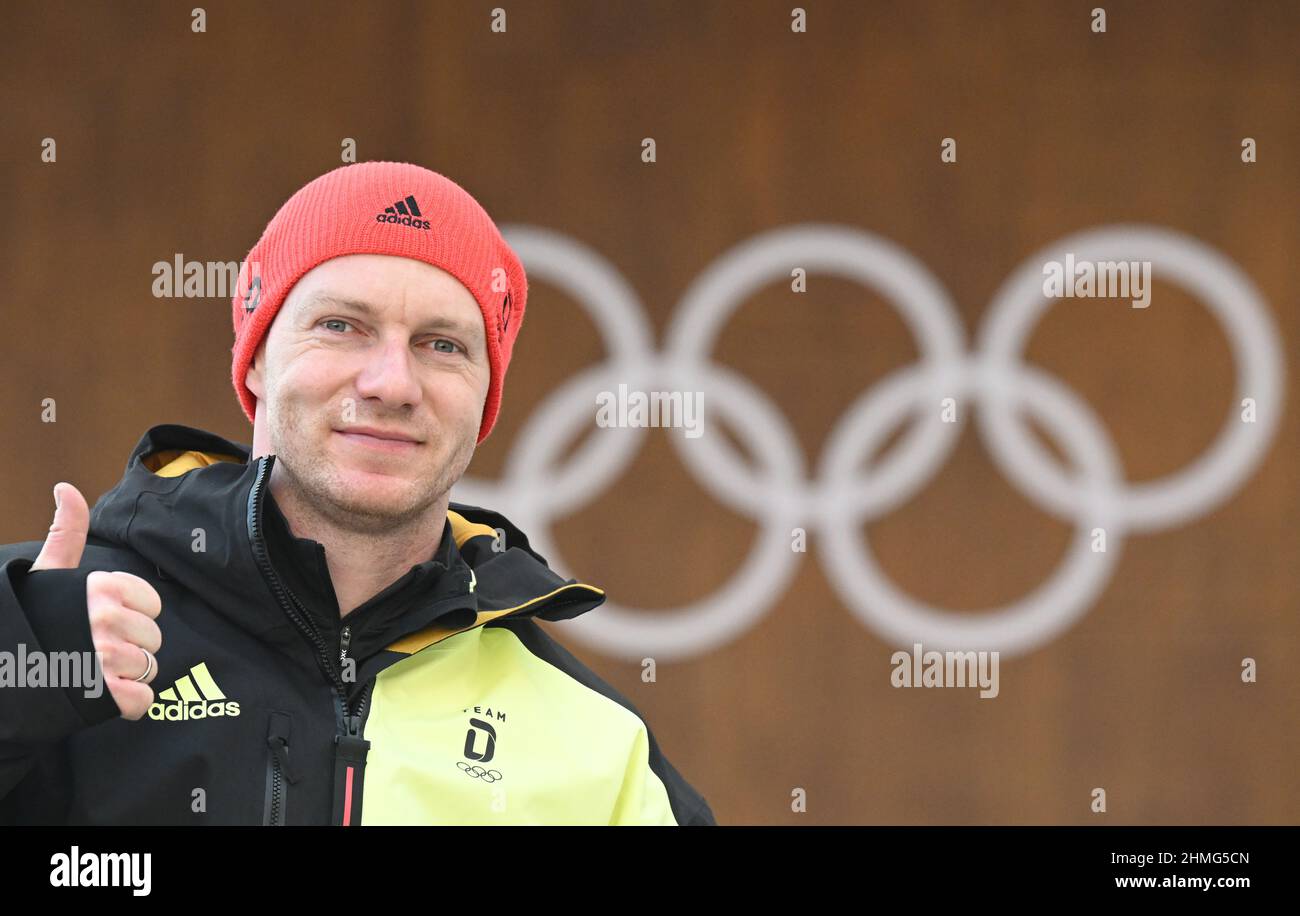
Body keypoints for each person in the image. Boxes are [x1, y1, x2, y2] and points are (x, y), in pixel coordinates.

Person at [0, 160, 715, 826]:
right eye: (341, 326)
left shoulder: (597, 744)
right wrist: (22, 684)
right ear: (254, 362)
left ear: (485, 398)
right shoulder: (50, 633)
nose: (392, 384)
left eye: (443, 345)